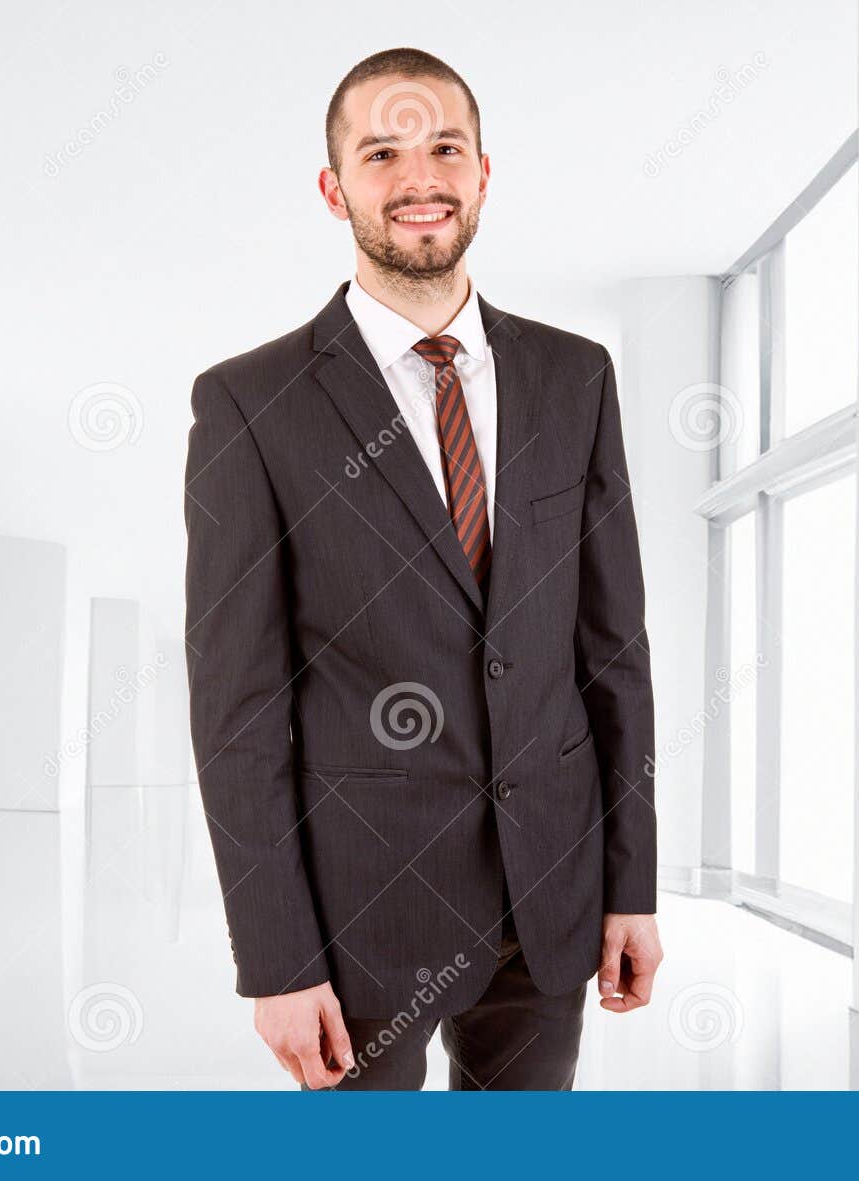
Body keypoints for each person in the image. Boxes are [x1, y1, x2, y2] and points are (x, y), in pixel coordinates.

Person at [183, 47, 661, 1090]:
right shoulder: (249, 405)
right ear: (334, 188)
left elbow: (612, 649)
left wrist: (633, 884)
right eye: (382, 151)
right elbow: (238, 707)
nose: (419, 177)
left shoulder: (574, 377)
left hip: (551, 900)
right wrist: (276, 958)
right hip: (359, 914)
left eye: (444, 146)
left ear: (483, 173)